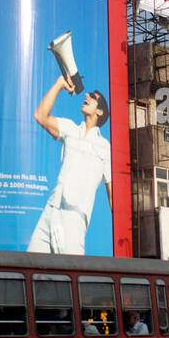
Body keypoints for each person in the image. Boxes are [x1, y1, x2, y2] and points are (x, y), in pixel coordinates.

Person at [28, 74, 112, 255]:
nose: (87, 96)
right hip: (51, 210)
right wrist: (59, 84)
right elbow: (40, 115)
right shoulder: (70, 129)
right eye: (87, 95)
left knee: (73, 277)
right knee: (30, 270)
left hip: (74, 217)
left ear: (100, 112)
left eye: (93, 97)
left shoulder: (106, 148)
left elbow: (113, 197)